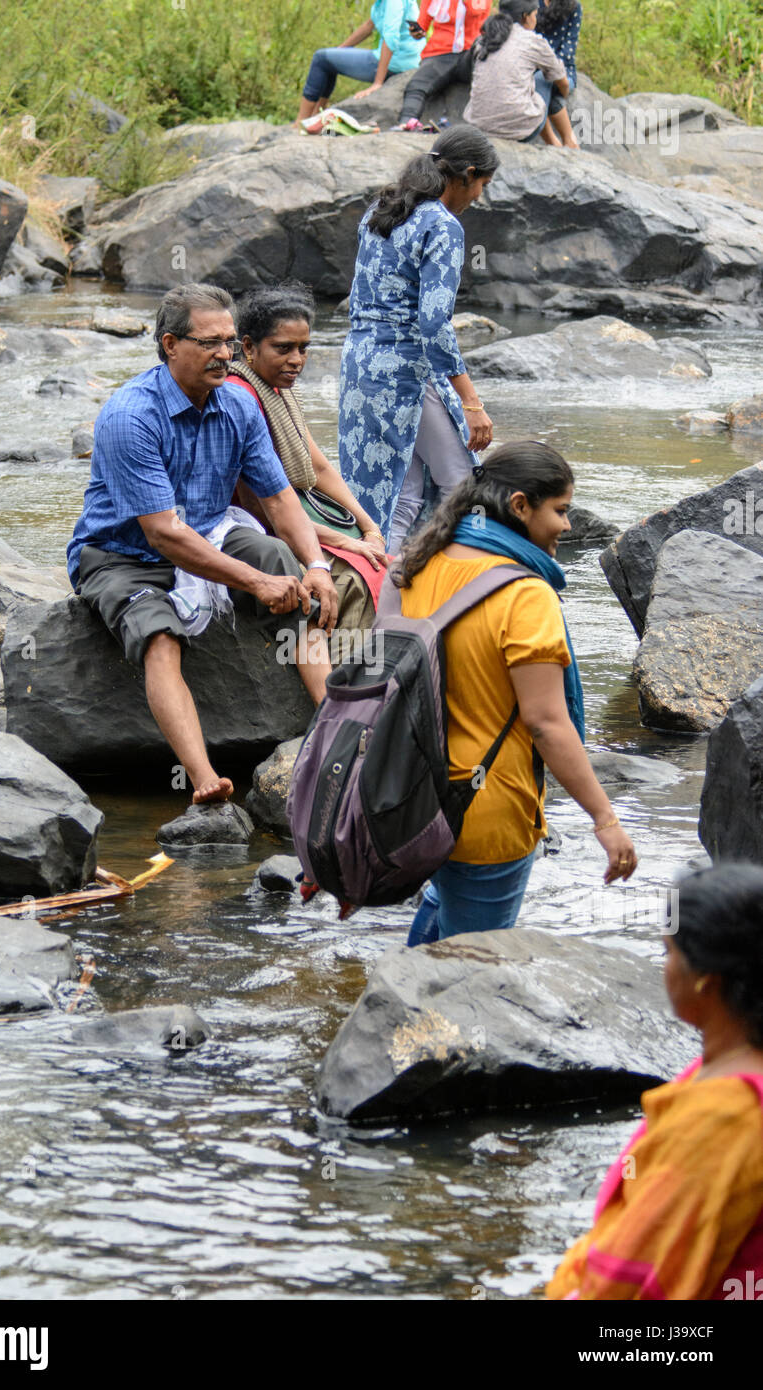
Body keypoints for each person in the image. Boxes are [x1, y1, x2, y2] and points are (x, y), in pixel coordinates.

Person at [66, 282, 337, 805]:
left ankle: (334, 724)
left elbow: (280, 499)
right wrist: (256, 583)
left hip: (211, 527)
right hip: (124, 551)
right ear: (170, 344)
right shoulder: (130, 416)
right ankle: (203, 778)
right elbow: (164, 533)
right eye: (209, 342)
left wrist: (317, 564)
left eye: (231, 342)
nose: (225, 355)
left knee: (291, 572)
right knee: (160, 637)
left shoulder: (238, 403)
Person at [397, 443, 637, 945]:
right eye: (562, 511)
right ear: (521, 505)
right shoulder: (527, 594)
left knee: (439, 929)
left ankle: (390, 1017)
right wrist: (605, 818)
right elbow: (546, 722)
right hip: (489, 812)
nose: (568, 526)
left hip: (421, 798)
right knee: (473, 974)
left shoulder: (424, 563)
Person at [547, 862, 763, 1301]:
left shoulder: (722, 1118)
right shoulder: (720, 1071)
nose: (664, 968)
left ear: (706, 978)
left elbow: (623, 1280)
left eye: (669, 952)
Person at [338, 125, 498, 556]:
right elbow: (434, 324)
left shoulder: (381, 208)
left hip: (360, 365)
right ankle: (459, 588)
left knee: (395, 493)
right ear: (465, 174)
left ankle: (378, 596)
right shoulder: (443, 226)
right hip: (406, 372)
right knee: (462, 485)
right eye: (482, 184)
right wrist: (471, 403)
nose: (479, 196)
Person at [226, 283, 389, 632]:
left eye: (303, 348)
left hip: (296, 512)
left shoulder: (278, 390)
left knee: (385, 564)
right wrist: (345, 542)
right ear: (248, 347)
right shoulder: (238, 398)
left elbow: (318, 466)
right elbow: (261, 508)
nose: (297, 360)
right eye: (283, 348)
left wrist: (369, 526)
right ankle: (345, 680)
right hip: (256, 528)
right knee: (356, 581)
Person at [295, 2, 426, 129]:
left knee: (320, 58)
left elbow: (391, 38)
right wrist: (338, 51)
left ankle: (301, 121)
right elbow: (368, 25)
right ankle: (316, 117)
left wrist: (377, 83)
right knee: (328, 59)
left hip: (395, 62)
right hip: (404, 59)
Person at [463, 0, 572, 147]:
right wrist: (564, 95)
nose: (536, 19)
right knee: (543, 79)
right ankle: (567, 141)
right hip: (520, 131)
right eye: (535, 14)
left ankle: (555, 142)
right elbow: (562, 81)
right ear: (526, 16)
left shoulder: (484, 39)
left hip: (478, 128)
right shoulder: (533, 41)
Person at [394, 0, 492, 131]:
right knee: (417, 85)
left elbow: (476, 10)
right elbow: (422, 24)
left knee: (487, 68)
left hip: (470, 52)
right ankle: (406, 123)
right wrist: (417, 31)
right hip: (440, 52)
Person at [537, 0, 582, 147]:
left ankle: (561, 141)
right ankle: (565, 141)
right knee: (541, 89)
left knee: (538, 83)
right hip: (533, 65)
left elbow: (568, 51)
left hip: (562, 69)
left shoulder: (573, 6)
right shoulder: (531, 4)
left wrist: (549, 69)